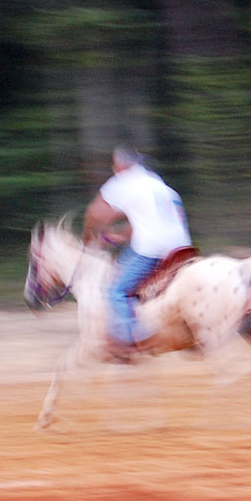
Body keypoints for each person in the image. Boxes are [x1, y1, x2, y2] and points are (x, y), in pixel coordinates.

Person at [82, 145, 192, 353]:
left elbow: (95, 213)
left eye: (115, 166)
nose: (114, 170)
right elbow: (143, 221)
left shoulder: (122, 181)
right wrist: (118, 236)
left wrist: (88, 237)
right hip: (182, 246)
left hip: (153, 248)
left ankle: (132, 336)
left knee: (116, 290)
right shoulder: (155, 181)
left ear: (121, 166)